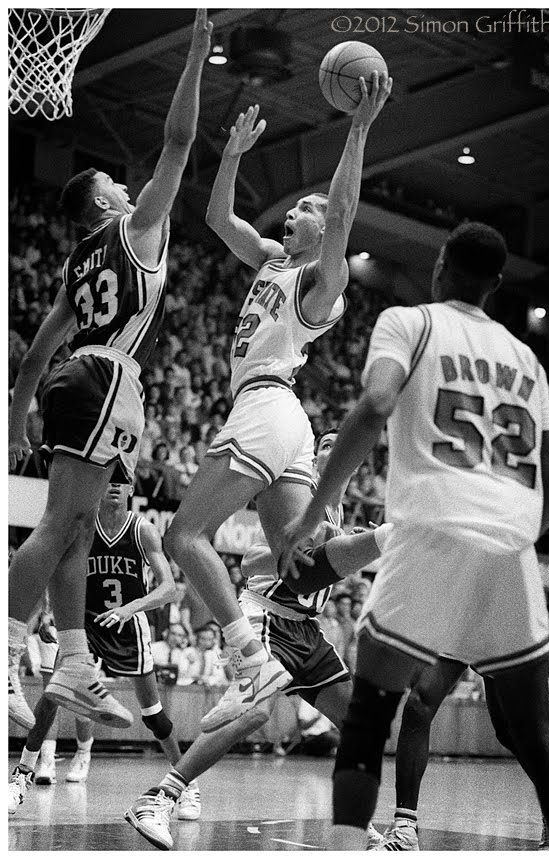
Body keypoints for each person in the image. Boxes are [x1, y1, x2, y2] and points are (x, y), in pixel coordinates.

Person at [282, 222, 549, 848]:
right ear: (496, 284)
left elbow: (377, 404)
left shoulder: (409, 323)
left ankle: (352, 839)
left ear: (440, 267)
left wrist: (312, 512)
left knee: (370, 714)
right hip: (510, 554)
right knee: (533, 724)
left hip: (434, 534)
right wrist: (529, 530)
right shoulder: (529, 360)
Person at [163, 71, 393, 733]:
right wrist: (231, 156)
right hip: (285, 420)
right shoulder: (270, 257)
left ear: (324, 233)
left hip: (267, 405)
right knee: (295, 565)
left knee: (184, 534)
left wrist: (358, 128)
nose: (292, 214)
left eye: (305, 210)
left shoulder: (323, 284)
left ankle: (249, 660)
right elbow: (217, 219)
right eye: (294, 210)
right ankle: (384, 548)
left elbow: (345, 213)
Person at [8, 10, 213, 731]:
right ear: (103, 204)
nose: (131, 190)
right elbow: (179, 142)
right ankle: (6, 649)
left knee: (82, 528)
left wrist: (13, 427)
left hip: (78, 377)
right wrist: (193, 55)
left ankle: (71, 661)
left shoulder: (72, 265)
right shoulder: (133, 229)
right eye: (117, 187)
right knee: (62, 521)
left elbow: (35, 356)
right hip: (106, 378)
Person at [124, 429, 394, 850]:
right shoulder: (300, 497)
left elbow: (323, 569)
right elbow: (251, 561)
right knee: (254, 714)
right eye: (324, 444)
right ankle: (159, 798)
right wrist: (305, 542)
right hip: (265, 615)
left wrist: (340, 542)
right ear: (315, 457)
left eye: (340, 445)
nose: (332, 450)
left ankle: (356, 825)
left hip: (305, 627)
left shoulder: (340, 513)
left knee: (363, 727)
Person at [9, 482, 201, 821]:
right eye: (109, 477)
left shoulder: (142, 530)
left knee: (153, 714)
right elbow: (56, 569)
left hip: (128, 626)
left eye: (122, 480)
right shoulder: (85, 526)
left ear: (130, 489)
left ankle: (187, 784)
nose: (114, 484)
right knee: (52, 695)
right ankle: (22, 774)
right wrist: (50, 611)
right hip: (83, 623)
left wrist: (130, 609)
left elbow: (170, 589)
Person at [372, 657, 549, 851]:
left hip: (500, 631)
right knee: (419, 703)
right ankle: (405, 832)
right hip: (462, 629)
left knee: (508, 730)